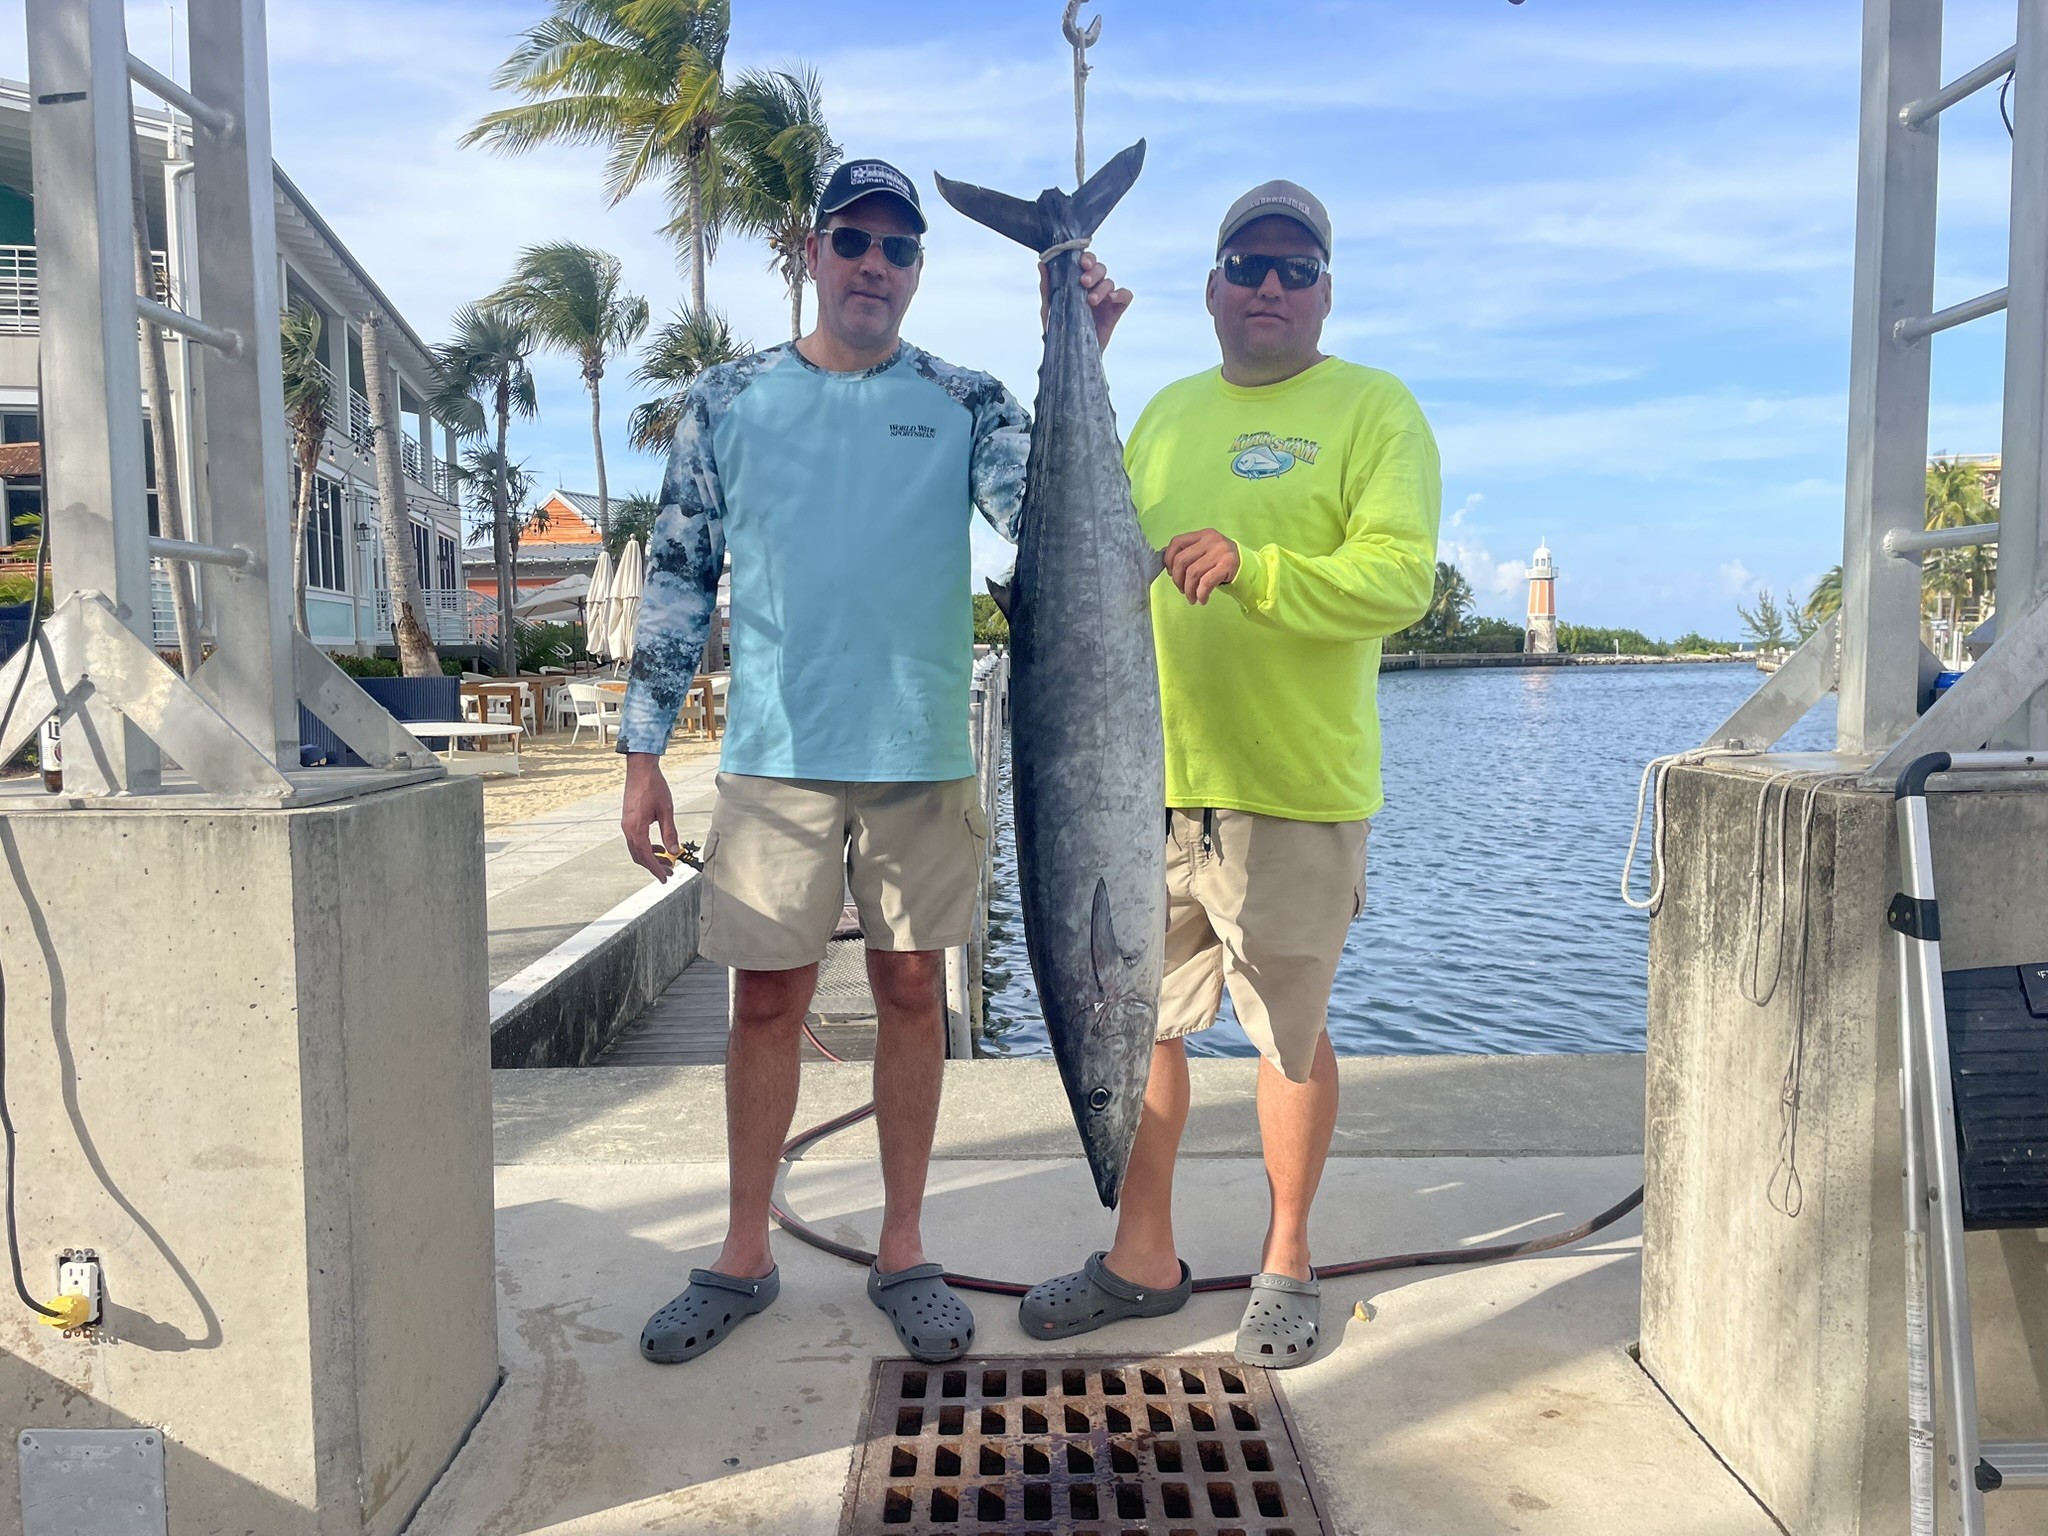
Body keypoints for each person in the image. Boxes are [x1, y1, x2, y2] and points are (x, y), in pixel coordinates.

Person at [619, 157, 1131, 1366]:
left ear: (917, 271)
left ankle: (904, 1247)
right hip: (775, 757)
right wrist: (642, 753)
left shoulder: (968, 399)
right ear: (812, 252)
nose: (875, 266)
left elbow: (1047, 520)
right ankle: (742, 1252)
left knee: (912, 994)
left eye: (900, 249)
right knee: (765, 1002)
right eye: (855, 241)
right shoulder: (727, 399)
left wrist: (1083, 350)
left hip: (920, 755)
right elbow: (681, 575)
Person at [1020, 181, 1441, 1367]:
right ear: (1208, 289)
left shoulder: (1373, 409)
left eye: (1293, 269)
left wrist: (1254, 567)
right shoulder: (1152, 411)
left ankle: (1286, 1260)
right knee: (1135, 1024)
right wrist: (1076, 345)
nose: (1268, 286)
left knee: (1283, 1038)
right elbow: (1080, 548)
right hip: (1135, 788)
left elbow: (1398, 579)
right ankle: (1139, 1259)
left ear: (1322, 292)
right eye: (1245, 266)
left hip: (1292, 790)